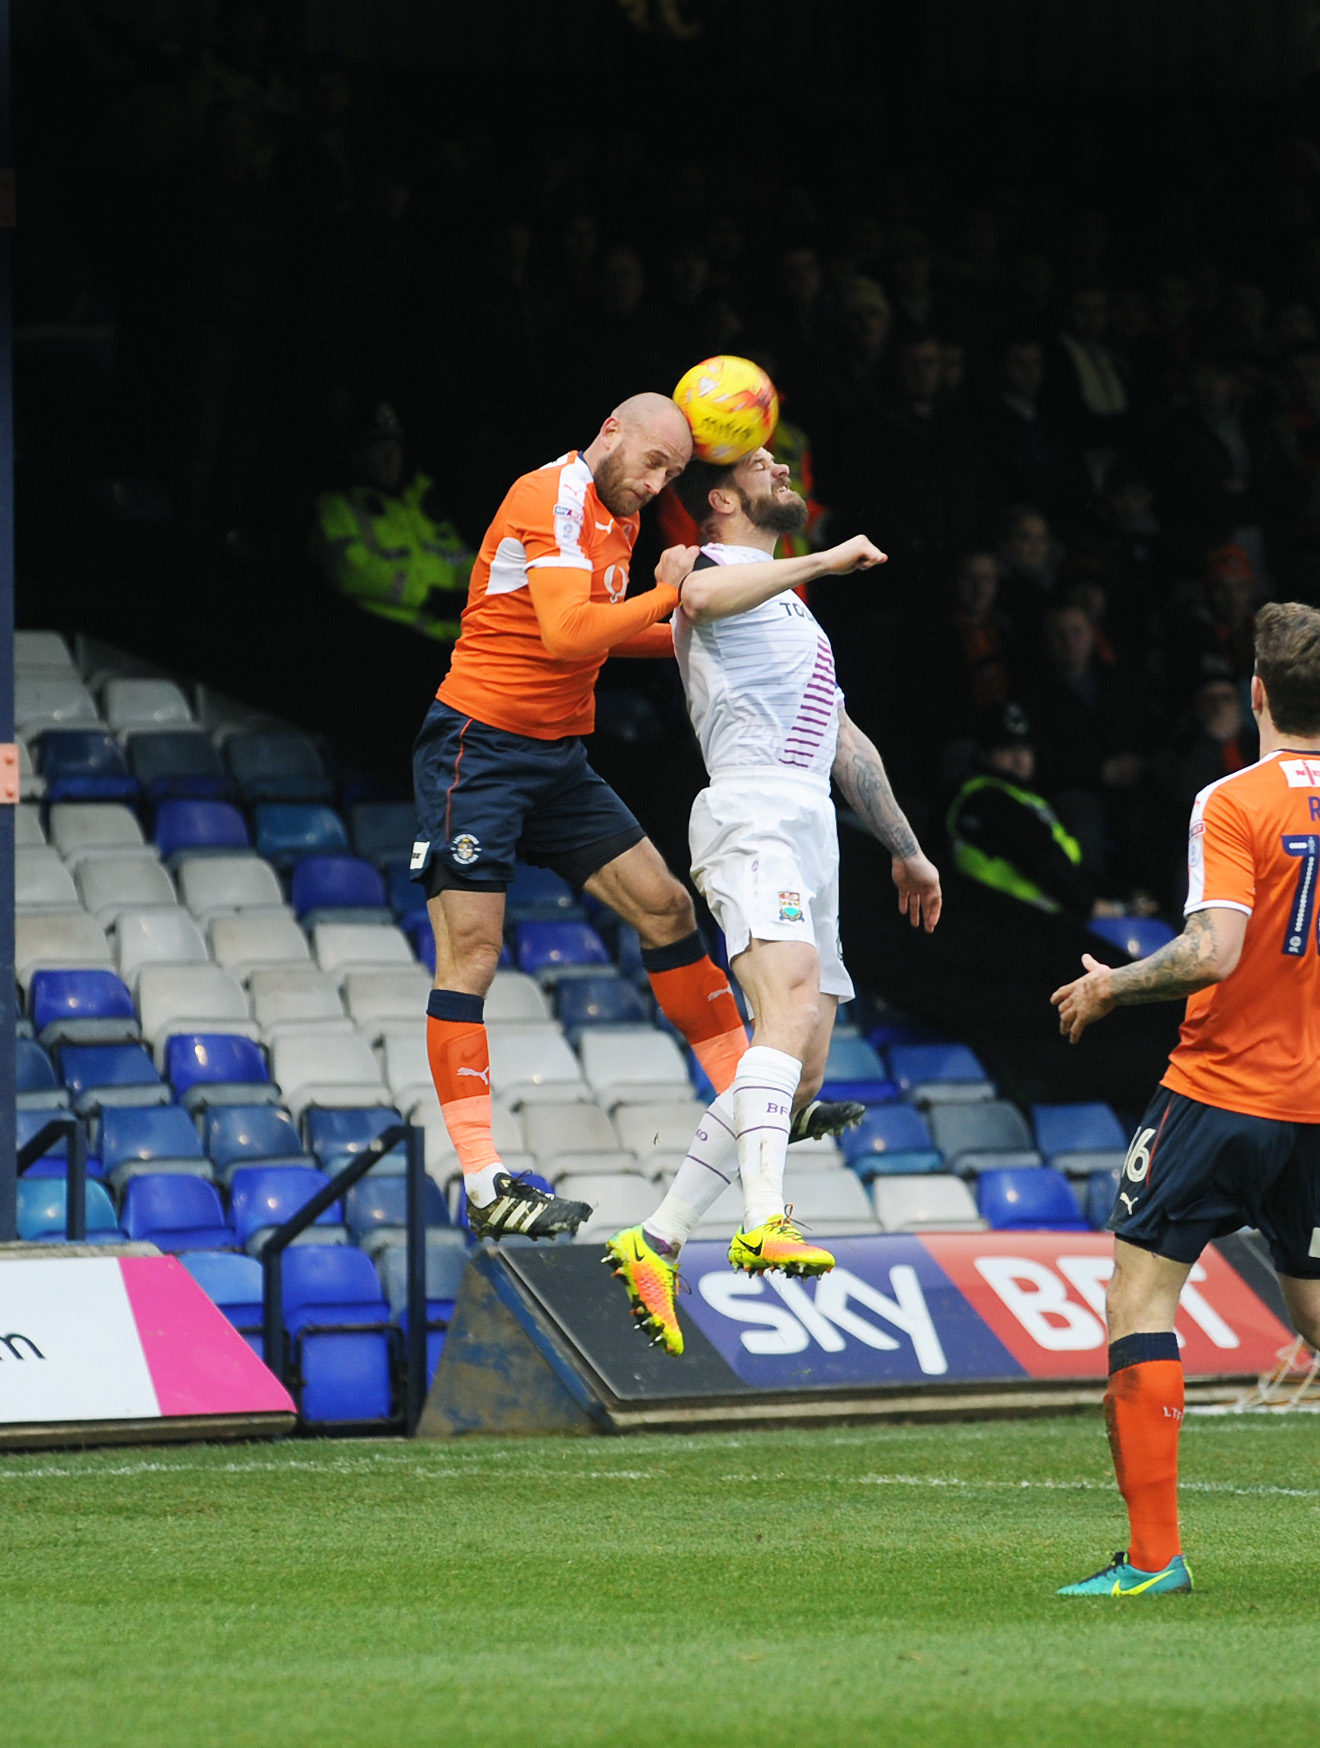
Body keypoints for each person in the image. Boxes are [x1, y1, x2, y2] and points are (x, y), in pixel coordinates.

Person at [603, 443, 943, 1354]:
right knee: (786, 1007)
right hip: (751, 811)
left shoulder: (787, 604)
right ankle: (764, 1218)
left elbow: (847, 742)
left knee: (805, 1071)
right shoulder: (711, 568)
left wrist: (907, 850)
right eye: (765, 468)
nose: (786, 474)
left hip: (812, 829)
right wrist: (831, 559)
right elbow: (699, 600)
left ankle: (657, 1237)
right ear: (719, 498)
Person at [411, 392, 764, 1243]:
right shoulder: (550, 497)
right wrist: (670, 594)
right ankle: (486, 1179)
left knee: (668, 907)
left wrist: (699, 616)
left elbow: (602, 634)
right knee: (474, 955)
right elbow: (570, 635)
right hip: (478, 749)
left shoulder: (620, 513)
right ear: (611, 431)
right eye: (652, 463)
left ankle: (750, 1100)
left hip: (557, 756)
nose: (655, 485)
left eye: (673, 476)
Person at [1050, 602, 1320, 1597]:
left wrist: (1110, 983)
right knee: (1319, 1311)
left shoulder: (1233, 799)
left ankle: (1156, 1556)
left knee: (1139, 1294)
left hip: (1222, 1089)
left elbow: (1215, 948)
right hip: (1317, 1103)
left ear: (1257, 694)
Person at [311, 402, 474, 643]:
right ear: (358, 456)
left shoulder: (421, 502)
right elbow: (349, 569)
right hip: (387, 640)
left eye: (394, 448)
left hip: (453, 640)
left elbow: (461, 558)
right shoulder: (339, 507)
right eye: (379, 449)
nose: (390, 458)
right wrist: (428, 598)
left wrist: (479, 595)